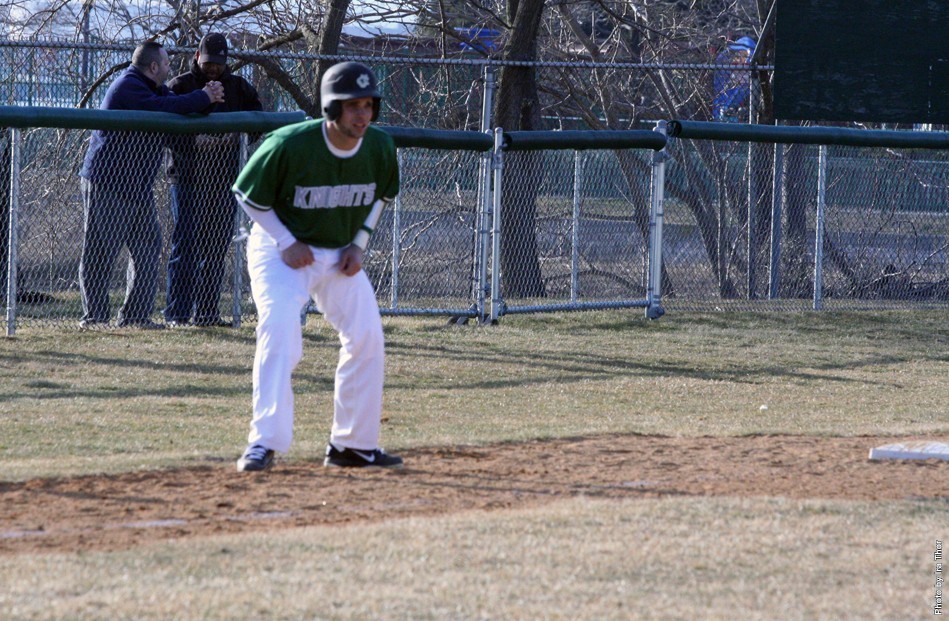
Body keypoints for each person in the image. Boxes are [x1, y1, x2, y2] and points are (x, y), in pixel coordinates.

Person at [231, 61, 401, 472]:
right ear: (330, 108)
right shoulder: (290, 144)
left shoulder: (378, 146)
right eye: (352, 105)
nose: (362, 114)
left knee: (367, 337)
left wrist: (359, 244)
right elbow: (247, 195)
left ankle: (352, 446)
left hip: (339, 251)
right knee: (279, 329)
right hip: (281, 249)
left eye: (368, 105)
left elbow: (381, 196)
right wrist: (287, 241)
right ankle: (264, 443)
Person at [78, 41, 225, 330]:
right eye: (167, 63)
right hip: (109, 183)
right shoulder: (128, 87)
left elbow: (173, 111)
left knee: (147, 248)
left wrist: (206, 106)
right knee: (100, 252)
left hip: (138, 187)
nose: (170, 68)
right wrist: (204, 96)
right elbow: (165, 108)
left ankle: (135, 316)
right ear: (154, 66)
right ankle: (94, 318)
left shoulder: (154, 88)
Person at [164, 33, 263, 328]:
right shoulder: (180, 85)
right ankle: (178, 314)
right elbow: (167, 128)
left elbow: (258, 120)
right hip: (188, 178)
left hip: (223, 180)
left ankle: (207, 313)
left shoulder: (240, 87)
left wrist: (235, 136)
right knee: (186, 245)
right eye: (208, 62)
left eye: (218, 64)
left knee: (216, 247)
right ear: (197, 56)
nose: (213, 68)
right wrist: (197, 142)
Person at [712, 36, 756, 123]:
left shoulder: (750, 87)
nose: (739, 60)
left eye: (744, 56)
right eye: (737, 56)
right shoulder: (727, 86)